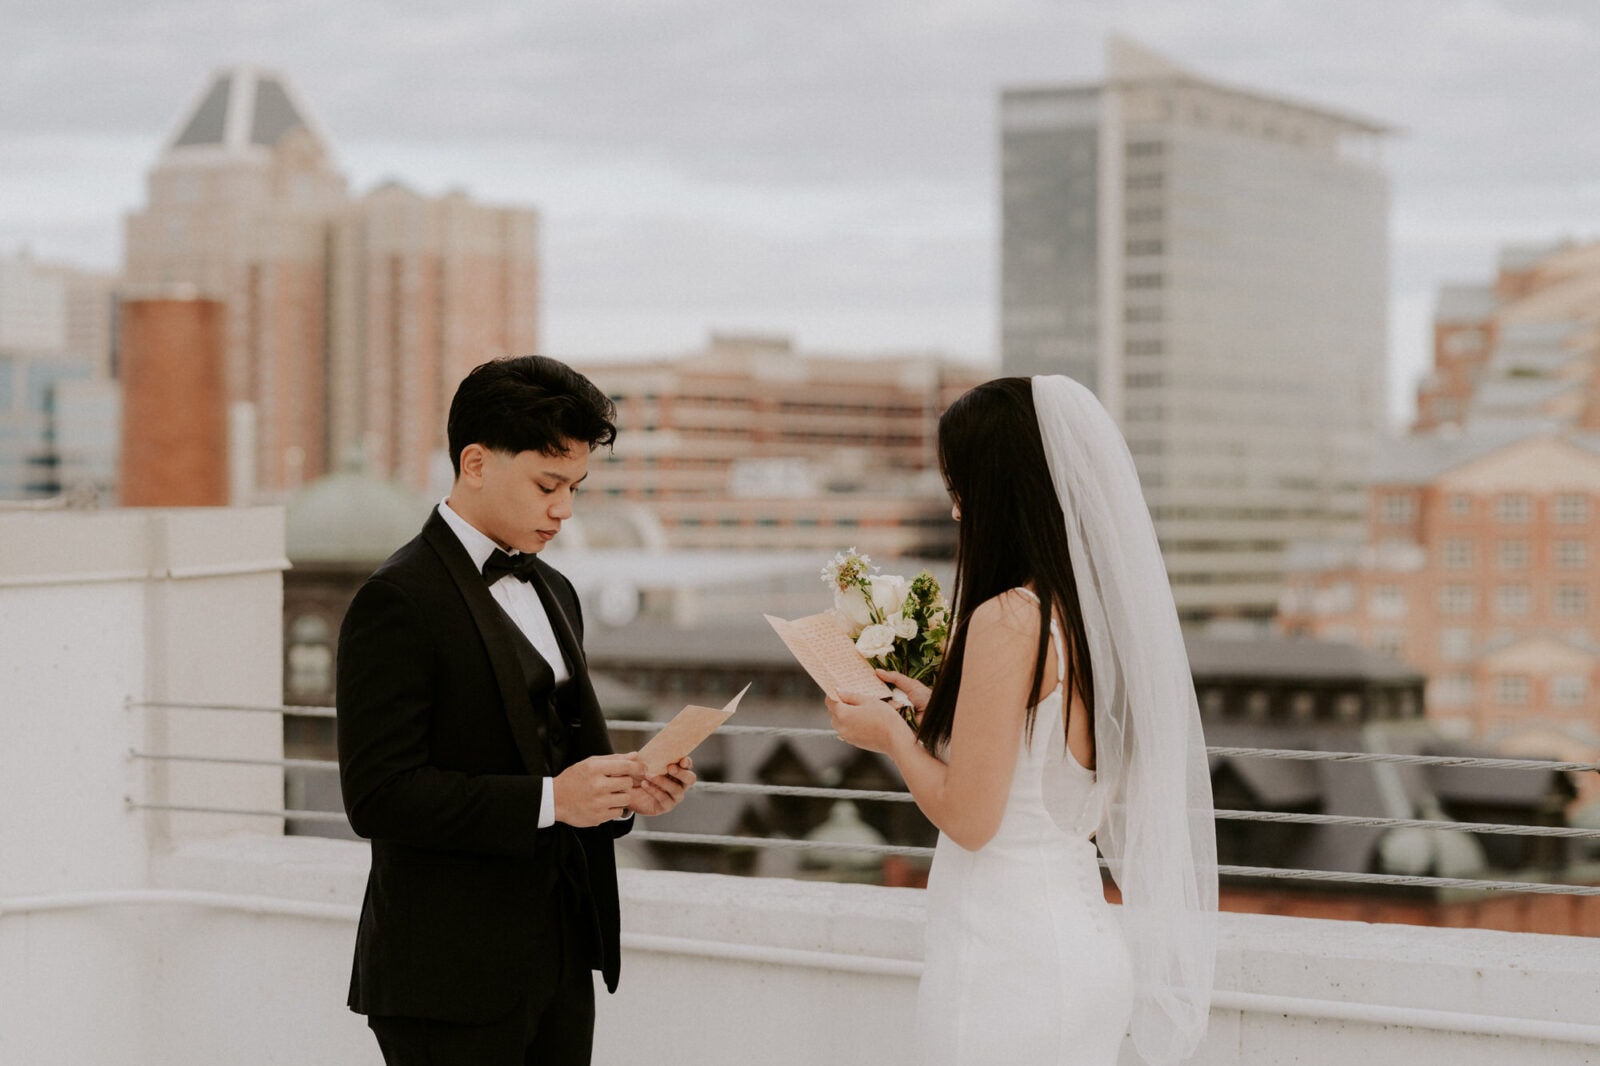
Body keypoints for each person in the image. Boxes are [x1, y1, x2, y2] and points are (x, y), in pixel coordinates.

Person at [827, 375, 1216, 1066]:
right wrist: (931, 711)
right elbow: (1045, 770)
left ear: (998, 488)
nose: (955, 511)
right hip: (1083, 946)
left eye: (960, 486)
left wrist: (887, 735)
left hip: (1008, 964)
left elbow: (971, 818)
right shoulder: (1086, 622)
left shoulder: (1009, 617)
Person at [336, 355, 696, 1066]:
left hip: (563, 955)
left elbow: (556, 755)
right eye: (547, 484)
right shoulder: (396, 601)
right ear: (475, 462)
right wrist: (550, 800)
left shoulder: (556, 589)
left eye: (575, 488)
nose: (563, 509)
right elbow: (378, 797)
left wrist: (626, 790)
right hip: (446, 978)